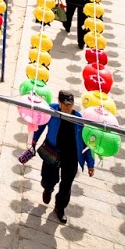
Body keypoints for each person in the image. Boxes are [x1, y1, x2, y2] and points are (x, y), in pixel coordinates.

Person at [31, 89, 96, 223]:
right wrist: (34, 139)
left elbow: (86, 142)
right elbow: (41, 124)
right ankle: (48, 189)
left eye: (70, 105)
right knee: (48, 178)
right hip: (52, 150)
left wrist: (90, 164)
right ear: (59, 103)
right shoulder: (51, 111)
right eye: (65, 105)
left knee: (67, 184)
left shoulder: (78, 119)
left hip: (71, 156)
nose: (67, 108)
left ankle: (60, 207)